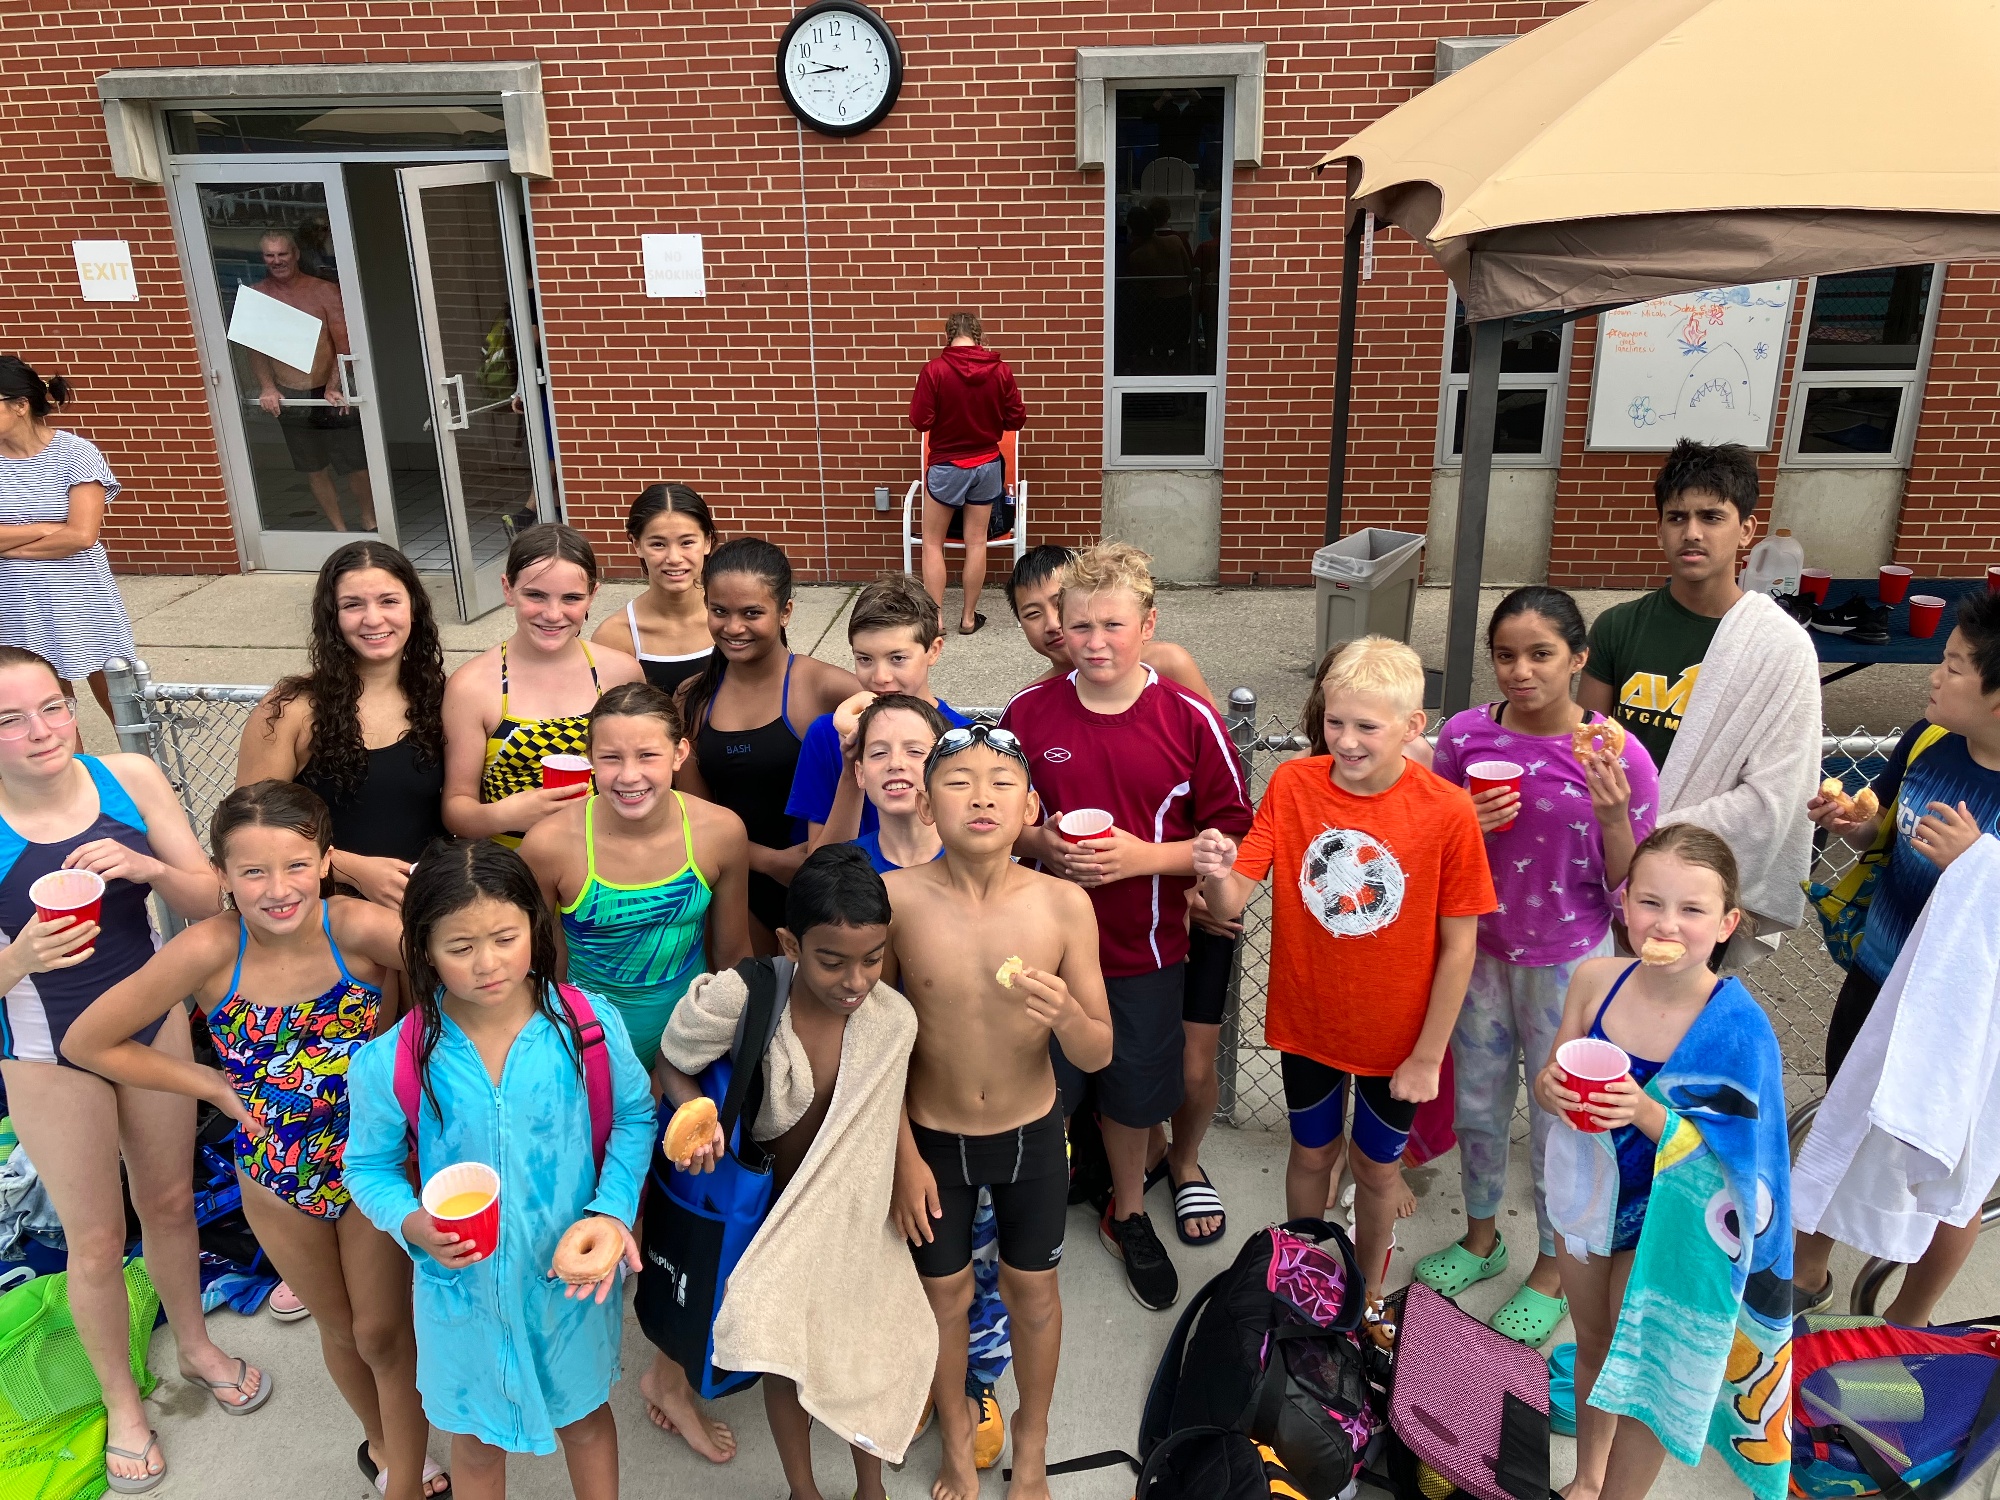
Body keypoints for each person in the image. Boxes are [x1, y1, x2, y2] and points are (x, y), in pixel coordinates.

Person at [63, 781, 447, 1500]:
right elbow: (88, 1039)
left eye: (297, 865)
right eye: (253, 872)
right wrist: (208, 1086)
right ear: (222, 877)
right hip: (276, 1174)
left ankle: (403, 1480)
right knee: (339, 1329)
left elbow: (457, 977)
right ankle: (384, 1443)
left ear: (327, 861)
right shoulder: (208, 950)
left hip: (373, 1163)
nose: (278, 889)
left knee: (384, 1335)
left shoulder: (359, 929)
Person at [0, 645, 260, 1495]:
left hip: (151, 1022)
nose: (40, 731)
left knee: (171, 1202)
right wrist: (22, 956)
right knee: (97, 1238)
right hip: (47, 1051)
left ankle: (194, 1345)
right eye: (10, 719)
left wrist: (148, 867)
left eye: (51, 706)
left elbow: (206, 899)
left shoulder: (129, 778)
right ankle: (123, 1402)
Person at [1194, 637, 1494, 1336]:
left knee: (1376, 1171)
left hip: (1399, 1040)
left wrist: (1427, 1054)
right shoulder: (1295, 785)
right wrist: (1212, 870)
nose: (1347, 741)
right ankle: (1305, 1273)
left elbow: (1460, 946)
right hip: (1311, 1022)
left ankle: (1366, 1294)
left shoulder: (1447, 812)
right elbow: (1230, 900)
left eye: (1368, 726)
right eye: (1335, 723)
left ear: (1413, 726)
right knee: (1310, 1155)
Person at [344, 839, 655, 1500]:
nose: (487, 964)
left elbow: (633, 1118)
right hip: (460, 1299)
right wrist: (411, 1225)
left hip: (568, 1290)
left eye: (505, 937)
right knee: (476, 1446)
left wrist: (612, 1210)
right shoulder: (393, 1060)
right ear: (422, 949)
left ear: (535, 930)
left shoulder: (589, 1027)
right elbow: (366, 1167)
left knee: (587, 1423)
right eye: (460, 948)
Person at [1000, 543, 1252, 1309]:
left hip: (1145, 951)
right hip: (1046, 951)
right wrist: (1043, 843)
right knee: (1046, 1087)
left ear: (1149, 624)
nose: (1095, 641)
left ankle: (1131, 1212)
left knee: (1136, 1093)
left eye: (1113, 624)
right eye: (1079, 626)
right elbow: (1002, 822)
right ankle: (1035, 1213)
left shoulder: (1191, 719)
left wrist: (1147, 858)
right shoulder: (1026, 714)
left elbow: (1229, 834)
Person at [1415, 588, 1660, 1350]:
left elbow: (1633, 890)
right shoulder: (1462, 737)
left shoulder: (1615, 753)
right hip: (1477, 957)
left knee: (1563, 1123)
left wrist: (1616, 815)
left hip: (1572, 967)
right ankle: (1481, 1236)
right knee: (1480, 1108)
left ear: (1580, 660)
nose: (1520, 671)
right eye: (1505, 655)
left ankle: (1554, 1267)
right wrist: (1459, 823)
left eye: (1541, 654)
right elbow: (1428, 844)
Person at [886, 724, 1113, 1500]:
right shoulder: (896, 902)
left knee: (1034, 1295)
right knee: (942, 1298)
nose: (980, 795)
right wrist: (902, 1157)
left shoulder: (1063, 905)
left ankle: (1033, 1442)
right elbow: (875, 1049)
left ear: (1031, 807)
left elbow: (1097, 1053)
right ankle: (955, 1436)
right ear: (923, 803)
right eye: (956, 780)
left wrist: (1067, 1018)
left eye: (1000, 782)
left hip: (1031, 1135)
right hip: (931, 1141)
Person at [659, 845, 927, 1500]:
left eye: (873, 958)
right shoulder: (744, 997)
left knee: (870, 1353)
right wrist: (694, 1107)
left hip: (857, 1220)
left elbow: (880, 1102)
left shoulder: (892, 1020)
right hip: (772, 1218)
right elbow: (673, 1057)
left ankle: (872, 1488)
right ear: (790, 943)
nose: (855, 981)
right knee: (785, 1359)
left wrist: (910, 1159)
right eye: (832, 960)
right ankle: (802, 1489)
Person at [1536, 824, 1788, 1500]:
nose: (1666, 923)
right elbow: (1550, 1077)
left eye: (1692, 909)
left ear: (1728, 923)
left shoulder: (1739, 1030)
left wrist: (1646, 1113)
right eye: (1650, 902)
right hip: (1591, 1199)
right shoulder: (1595, 981)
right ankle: (1589, 1480)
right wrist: (1551, 1089)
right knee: (1593, 1342)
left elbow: (1751, 1167)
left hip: (1673, 1226)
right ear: (1624, 906)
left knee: (1644, 1375)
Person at [1793, 589, 2000, 1323]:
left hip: (1962, 1028)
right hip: (1877, 978)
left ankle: (1909, 1320)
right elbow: (1879, 830)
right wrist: (1856, 821)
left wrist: (1979, 863)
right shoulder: (1926, 739)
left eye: (1954, 665)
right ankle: (1808, 1271)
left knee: (1955, 1172)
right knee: (1842, 1118)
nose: (1935, 676)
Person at [1579, 439, 1821, 966]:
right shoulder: (1619, 626)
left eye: (1712, 516)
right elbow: (1584, 756)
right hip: (1612, 866)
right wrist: (1618, 839)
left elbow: (1775, 797)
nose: (1692, 532)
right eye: (1677, 517)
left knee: (1680, 1029)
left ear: (1746, 530)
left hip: (1699, 889)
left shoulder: (1779, 646)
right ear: (1660, 527)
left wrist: (1649, 833)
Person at [521, 683, 751, 1071]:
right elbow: (540, 966)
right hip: (588, 1043)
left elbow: (731, 955)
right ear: (590, 757)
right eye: (611, 758)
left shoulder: (720, 832)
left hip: (687, 1040)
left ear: (679, 753)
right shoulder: (549, 845)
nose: (629, 776)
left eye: (647, 756)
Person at [237, 541, 447, 910]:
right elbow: (251, 829)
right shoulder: (293, 710)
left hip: (428, 901)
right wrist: (353, 870)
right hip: (325, 907)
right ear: (332, 617)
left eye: (388, 601)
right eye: (353, 605)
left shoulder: (439, 698)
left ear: (414, 607)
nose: (373, 619)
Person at [677, 538, 857, 950]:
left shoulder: (825, 688)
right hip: (736, 884)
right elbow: (695, 815)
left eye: (752, 613)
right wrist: (772, 862)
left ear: (785, 612)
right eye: (719, 611)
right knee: (755, 1002)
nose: (733, 627)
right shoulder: (694, 698)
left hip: (829, 885)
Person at [442, 523, 643, 849]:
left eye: (572, 598)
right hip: (513, 871)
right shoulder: (472, 686)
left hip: (608, 858)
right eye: (535, 595)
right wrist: (504, 815)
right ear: (508, 590)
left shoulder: (619, 672)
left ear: (593, 595)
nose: (553, 614)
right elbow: (456, 808)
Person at [0, 357, 139, 726]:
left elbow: (82, 534)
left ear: (19, 405)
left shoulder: (75, 453)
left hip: (81, 596)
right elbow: (67, 532)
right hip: (16, 606)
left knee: (121, 702)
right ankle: (69, 781)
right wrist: (46, 528)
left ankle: (147, 777)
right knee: (48, 711)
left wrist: (10, 547)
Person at [791, 572, 971, 851]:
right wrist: (850, 773)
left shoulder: (965, 736)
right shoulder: (827, 735)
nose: (881, 677)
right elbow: (820, 858)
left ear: (933, 650)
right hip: (854, 889)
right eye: (864, 659)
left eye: (897, 658)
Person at [244, 229, 376, 532]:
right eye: (270, 255)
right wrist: (268, 386)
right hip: (291, 393)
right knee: (314, 468)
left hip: (329, 389)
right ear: (263, 258)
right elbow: (256, 349)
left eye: (282, 254)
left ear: (296, 254)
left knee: (356, 463)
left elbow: (343, 344)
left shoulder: (323, 291)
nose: (277, 261)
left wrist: (334, 384)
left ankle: (369, 520)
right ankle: (339, 530)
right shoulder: (257, 295)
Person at [909, 311, 1026, 636]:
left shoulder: (935, 371)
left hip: (947, 467)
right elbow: (1017, 417)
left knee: (933, 543)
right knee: (977, 543)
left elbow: (920, 421)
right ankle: (969, 618)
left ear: (948, 336)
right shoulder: (1000, 371)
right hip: (987, 464)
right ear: (979, 337)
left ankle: (938, 622)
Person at [591, 483, 716, 697]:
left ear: (707, 542)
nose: (674, 558)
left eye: (687, 542)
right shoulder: (616, 636)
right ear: (637, 544)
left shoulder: (732, 619)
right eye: (658, 544)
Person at [848, 694, 947, 874]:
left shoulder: (979, 866)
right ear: (860, 774)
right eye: (879, 753)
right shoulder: (841, 872)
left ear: (945, 767)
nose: (895, 763)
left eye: (915, 751)